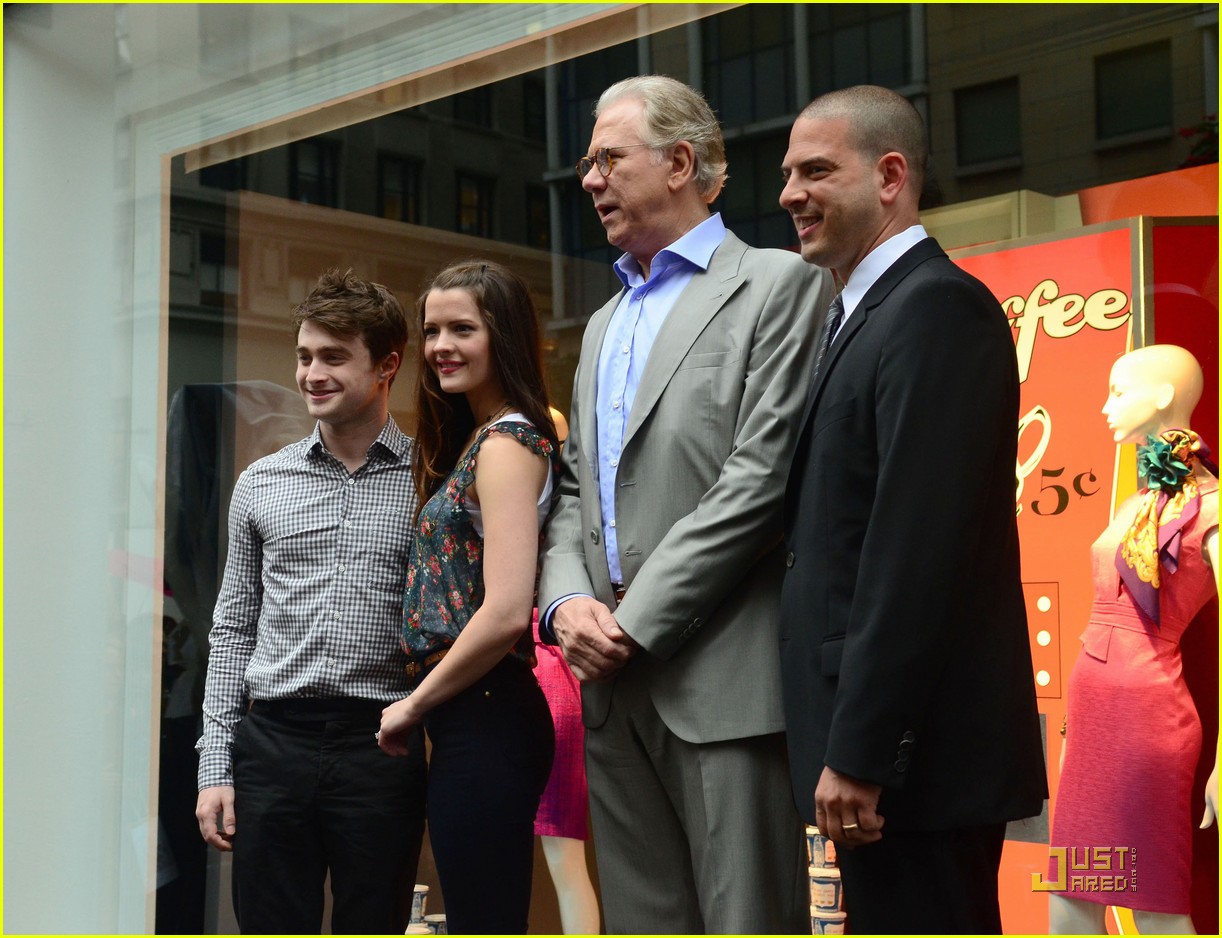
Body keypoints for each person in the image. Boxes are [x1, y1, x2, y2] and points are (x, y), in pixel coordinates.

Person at [538, 74, 834, 934]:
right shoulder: (601, 324)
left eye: (607, 158)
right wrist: (566, 605)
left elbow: (761, 478)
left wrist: (634, 624)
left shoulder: (781, 284)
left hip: (723, 688)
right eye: (588, 162)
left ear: (679, 162)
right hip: (609, 692)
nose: (588, 179)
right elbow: (571, 490)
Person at [777, 85, 1048, 934]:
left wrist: (861, 753)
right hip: (887, 766)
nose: (788, 193)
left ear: (890, 175)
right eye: (787, 172)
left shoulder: (936, 309)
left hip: (912, 772)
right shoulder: (861, 312)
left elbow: (914, 552)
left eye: (816, 170)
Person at [194, 268, 427, 934]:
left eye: (332, 356)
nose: (311, 373)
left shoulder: (427, 485)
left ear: (387, 365)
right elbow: (233, 628)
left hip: (382, 742)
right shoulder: (261, 482)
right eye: (303, 356)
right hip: (273, 744)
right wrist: (217, 766)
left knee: (373, 924)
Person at [378, 259, 557, 935]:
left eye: (462, 328)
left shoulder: (508, 442)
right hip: (470, 716)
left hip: (487, 711)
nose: (440, 346)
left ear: (502, 336)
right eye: (431, 330)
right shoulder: (478, 439)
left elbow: (508, 611)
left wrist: (413, 705)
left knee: (487, 920)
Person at [1049, 344, 1218, 935]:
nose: (1105, 406)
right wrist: (1074, 728)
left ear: (1165, 397)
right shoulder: (1135, 504)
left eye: (1119, 392)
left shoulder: (1212, 509)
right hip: (1094, 720)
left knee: (1156, 910)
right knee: (1069, 906)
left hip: (1149, 721)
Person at [533, 408, 601, 937]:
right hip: (542, 658)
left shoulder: (556, 512)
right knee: (563, 857)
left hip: (549, 663)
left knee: (564, 854)